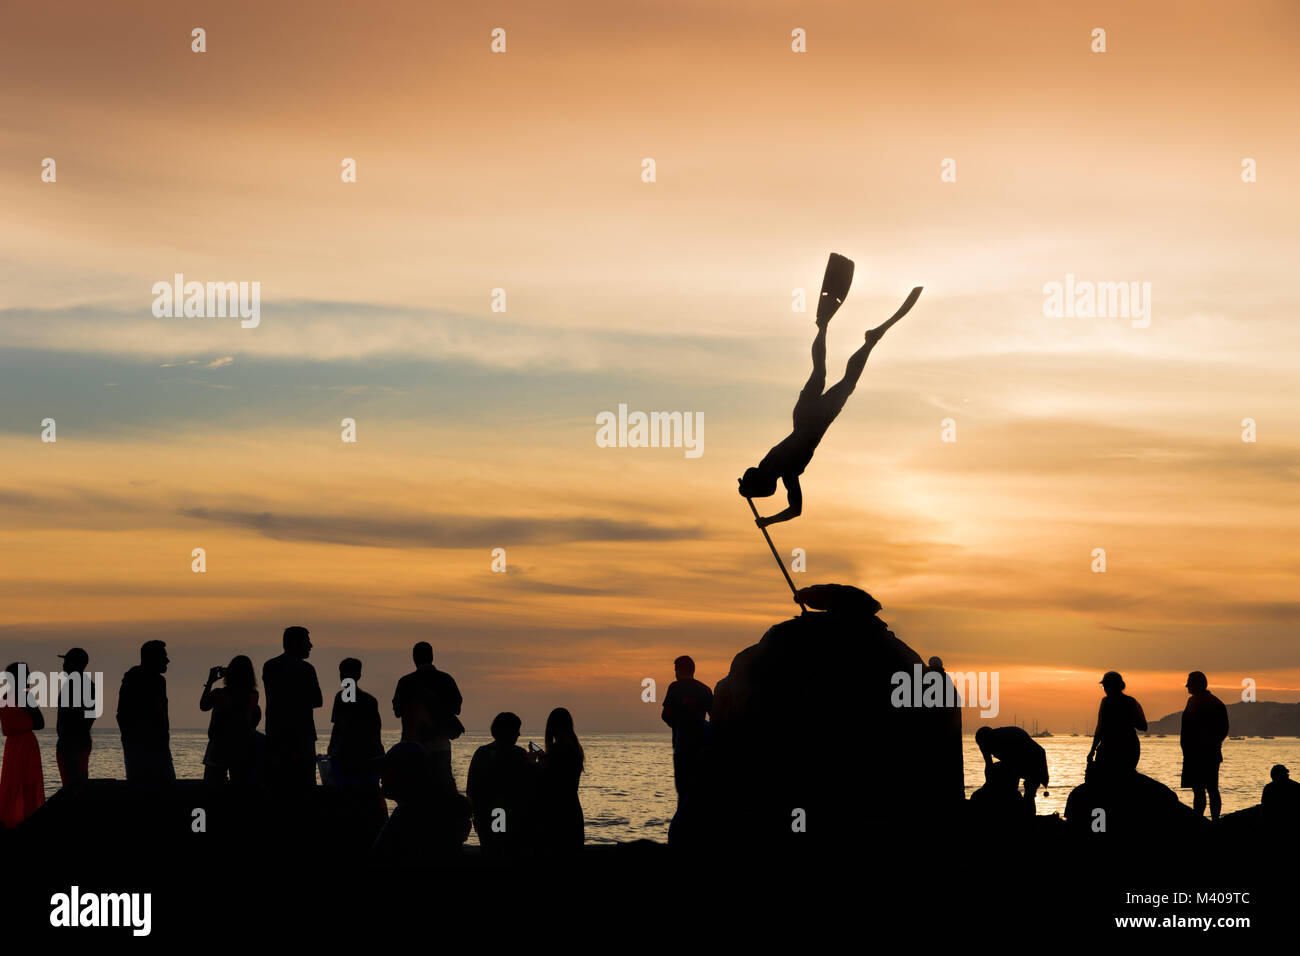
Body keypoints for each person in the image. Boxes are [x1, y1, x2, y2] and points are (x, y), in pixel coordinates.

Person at [738, 253, 922, 527]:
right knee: (820, 371)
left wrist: (768, 519)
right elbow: (790, 505)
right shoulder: (770, 464)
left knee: (845, 382)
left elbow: (795, 510)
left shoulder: (784, 471)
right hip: (802, 416)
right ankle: (825, 327)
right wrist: (764, 515)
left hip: (815, 421)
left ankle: (868, 341)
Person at [392, 642, 463, 788]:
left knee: (414, 789)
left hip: (413, 744)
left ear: (414, 658)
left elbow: (397, 711)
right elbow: (457, 708)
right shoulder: (446, 679)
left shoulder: (406, 682)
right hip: (440, 743)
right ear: (432, 656)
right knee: (443, 788)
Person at [262, 626, 323, 788]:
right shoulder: (306, 669)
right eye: (307, 641)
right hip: (302, 738)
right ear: (295, 643)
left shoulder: (269, 666)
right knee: (304, 786)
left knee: (278, 785)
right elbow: (318, 701)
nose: (311, 645)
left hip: (275, 736)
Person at [466, 712, 530, 857]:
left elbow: (471, 788)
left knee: (491, 852)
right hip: (504, 815)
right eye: (516, 730)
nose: (519, 734)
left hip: (487, 815)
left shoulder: (482, 753)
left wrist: (475, 815)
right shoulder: (518, 754)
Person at [117, 640, 175, 783]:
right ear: (153, 658)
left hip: (158, 745)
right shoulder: (134, 679)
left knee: (164, 783)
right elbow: (122, 714)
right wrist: (131, 740)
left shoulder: (160, 681)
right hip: (140, 746)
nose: (167, 661)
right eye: (163, 657)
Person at [529, 707, 585, 855]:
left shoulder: (557, 749)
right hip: (572, 810)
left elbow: (547, 783)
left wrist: (533, 764)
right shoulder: (576, 748)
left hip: (556, 815)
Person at [200, 655, 262, 784]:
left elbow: (203, 706)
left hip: (218, 746)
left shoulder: (219, 694)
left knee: (212, 786)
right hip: (241, 747)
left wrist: (210, 681)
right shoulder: (252, 695)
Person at [1179, 671, 1229, 821]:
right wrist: (1214, 744)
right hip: (1211, 753)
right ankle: (1215, 820)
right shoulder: (1217, 702)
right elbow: (1224, 730)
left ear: (1196, 685)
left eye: (1190, 683)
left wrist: (1189, 748)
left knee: (1199, 791)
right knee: (1212, 789)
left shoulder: (1194, 702)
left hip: (1195, 754)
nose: (1187, 687)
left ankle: (1199, 820)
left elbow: (1187, 728)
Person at [327, 658, 384, 789]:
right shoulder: (369, 700)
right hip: (365, 756)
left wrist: (332, 749)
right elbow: (376, 730)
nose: (342, 677)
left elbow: (338, 727)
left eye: (343, 673)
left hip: (346, 757)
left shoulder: (342, 698)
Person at [0, 663, 45, 828]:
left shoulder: (4, 698)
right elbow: (40, 723)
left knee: (11, 783)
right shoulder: (26, 697)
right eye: (26, 674)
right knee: (29, 782)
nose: (29, 677)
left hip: (11, 745)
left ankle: (9, 818)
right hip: (26, 744)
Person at [661, 656, 713, 798]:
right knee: (699, 788)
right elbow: (715, 717)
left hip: (681, 747)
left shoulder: (674, 688)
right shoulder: (705, 689)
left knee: (683, 791)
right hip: (702, 747)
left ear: (680, 670)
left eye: (675, 669)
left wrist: (678, 724)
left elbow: (665, 715)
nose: (675, 673)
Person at [974, 725, 1049, 814]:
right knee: (1029, 793)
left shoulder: (989, 739)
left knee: (1027, 793)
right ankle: (1028, 819)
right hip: (1034, 756)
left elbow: (991, 764)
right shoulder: (997, 736)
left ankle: (1028, 820)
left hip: (1031, 758)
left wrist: (989, 786)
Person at [1087, 671, 1147, 775]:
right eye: (1103, 687)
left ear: (1113, 686)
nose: (1104, 689)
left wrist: (1092, 750)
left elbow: (1100, 728)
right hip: (1130, 747)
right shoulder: (1131, 701)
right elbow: (1143, 726)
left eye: (1106, 686)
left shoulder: (1106, 702)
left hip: (1113, 748)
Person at [55, 647, 96, 787]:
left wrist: (74, 736)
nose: (64, 664)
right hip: (74, 742)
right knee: (75, 782)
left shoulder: (80, 685)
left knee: (74, 785)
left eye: (67, 661)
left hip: (72, 744)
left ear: (75, 664)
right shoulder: (79, 684)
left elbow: (90, 714)